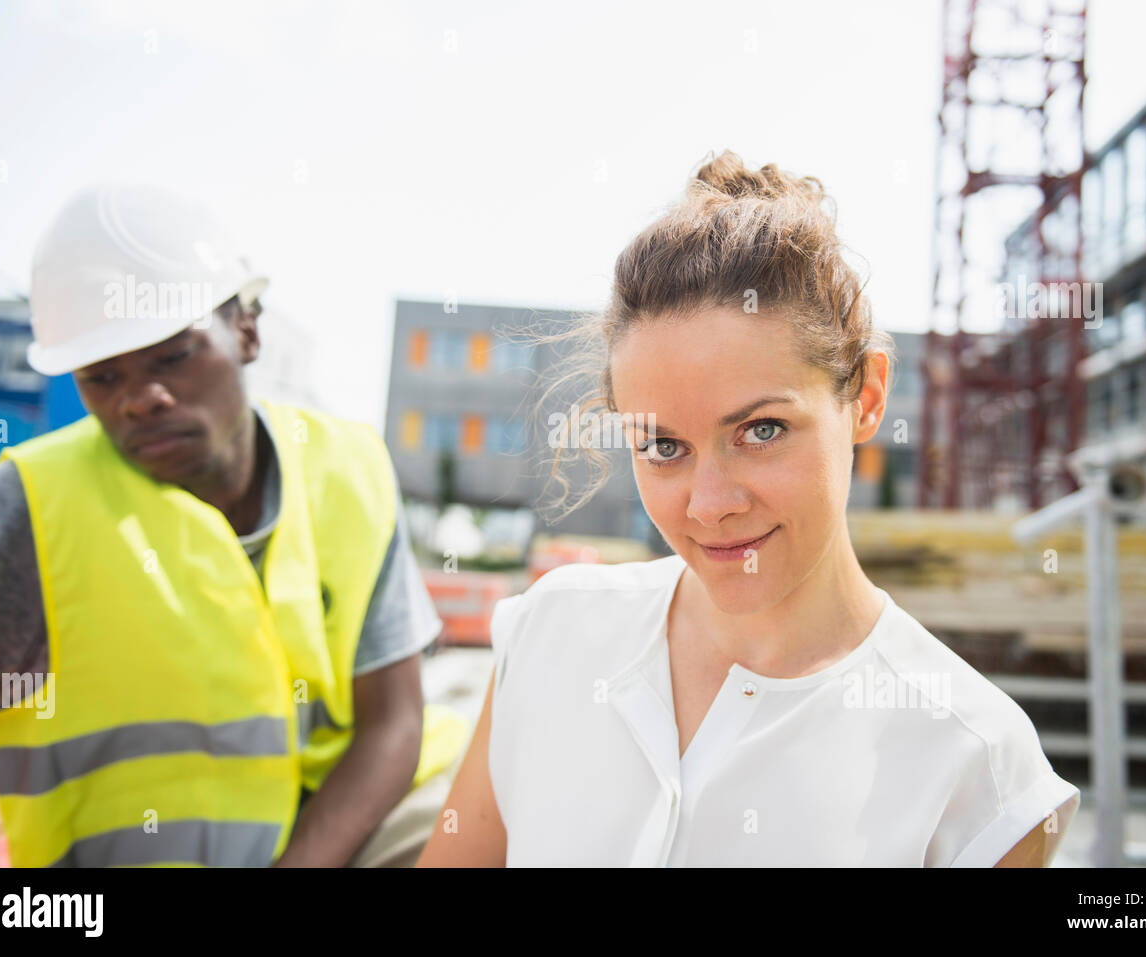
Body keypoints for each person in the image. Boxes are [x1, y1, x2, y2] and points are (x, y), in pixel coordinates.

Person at [418, 151, 1080, 867]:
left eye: (761, 431)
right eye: (663, 446)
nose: (710, 506)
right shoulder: (551, 632)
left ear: (866, 396)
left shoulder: (980, 769)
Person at [0, 184, 465, 867]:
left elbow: (395, 721)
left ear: (247, 329)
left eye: (171, 356)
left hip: (337, 834)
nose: (142, 398)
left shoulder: (346, 469)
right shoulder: (34, 504)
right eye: (103, 376)